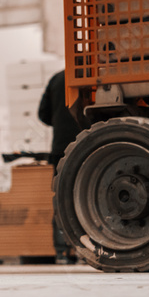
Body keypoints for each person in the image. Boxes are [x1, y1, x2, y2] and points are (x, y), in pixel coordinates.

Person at [38, 69, 83, 264]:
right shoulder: (95, 73)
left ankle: (62, 252)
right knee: (88, 195)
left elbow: (42, 114)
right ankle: (86, 250)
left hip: (61, 147)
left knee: (62, 198)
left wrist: (60, 120)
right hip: (88, 143)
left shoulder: (56, 78)